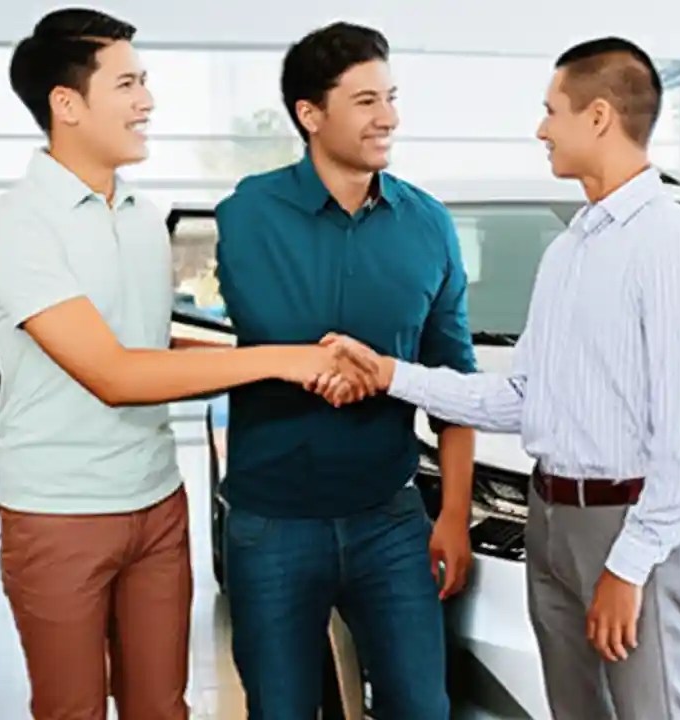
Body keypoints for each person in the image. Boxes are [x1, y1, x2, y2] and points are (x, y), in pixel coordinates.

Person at [319, 37, 680, 720]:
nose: (541, 129)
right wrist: (390, 373)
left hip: (627, 526)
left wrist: (628, 568)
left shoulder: (671, 244)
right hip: (550, 519)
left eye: (552, 111)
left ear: (598, 117)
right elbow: (520, 399)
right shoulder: (568, 252)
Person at [0, 9, 362, 719]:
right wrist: (285, 360)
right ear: (67, 105)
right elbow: (117, 375)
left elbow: (150, 348)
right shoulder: (19, 221)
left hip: (155, 503)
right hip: (61, 513)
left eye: (145, 81)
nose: (146, 101)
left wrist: (288, 361)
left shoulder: (139, 214)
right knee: (74, 711)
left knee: (164, 707)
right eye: (127, 84)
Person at [210, 22, 477, 720]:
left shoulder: (429, 225)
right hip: (273, 523)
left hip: (390, 517)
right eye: (364, 100)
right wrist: (354, 367)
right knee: (282, 709)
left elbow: (455, 380)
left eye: (389, 96)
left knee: (422, 707)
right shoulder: (248, 213)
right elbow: (277, 330)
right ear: (310, 113)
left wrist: (451, 513)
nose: (386, 116)